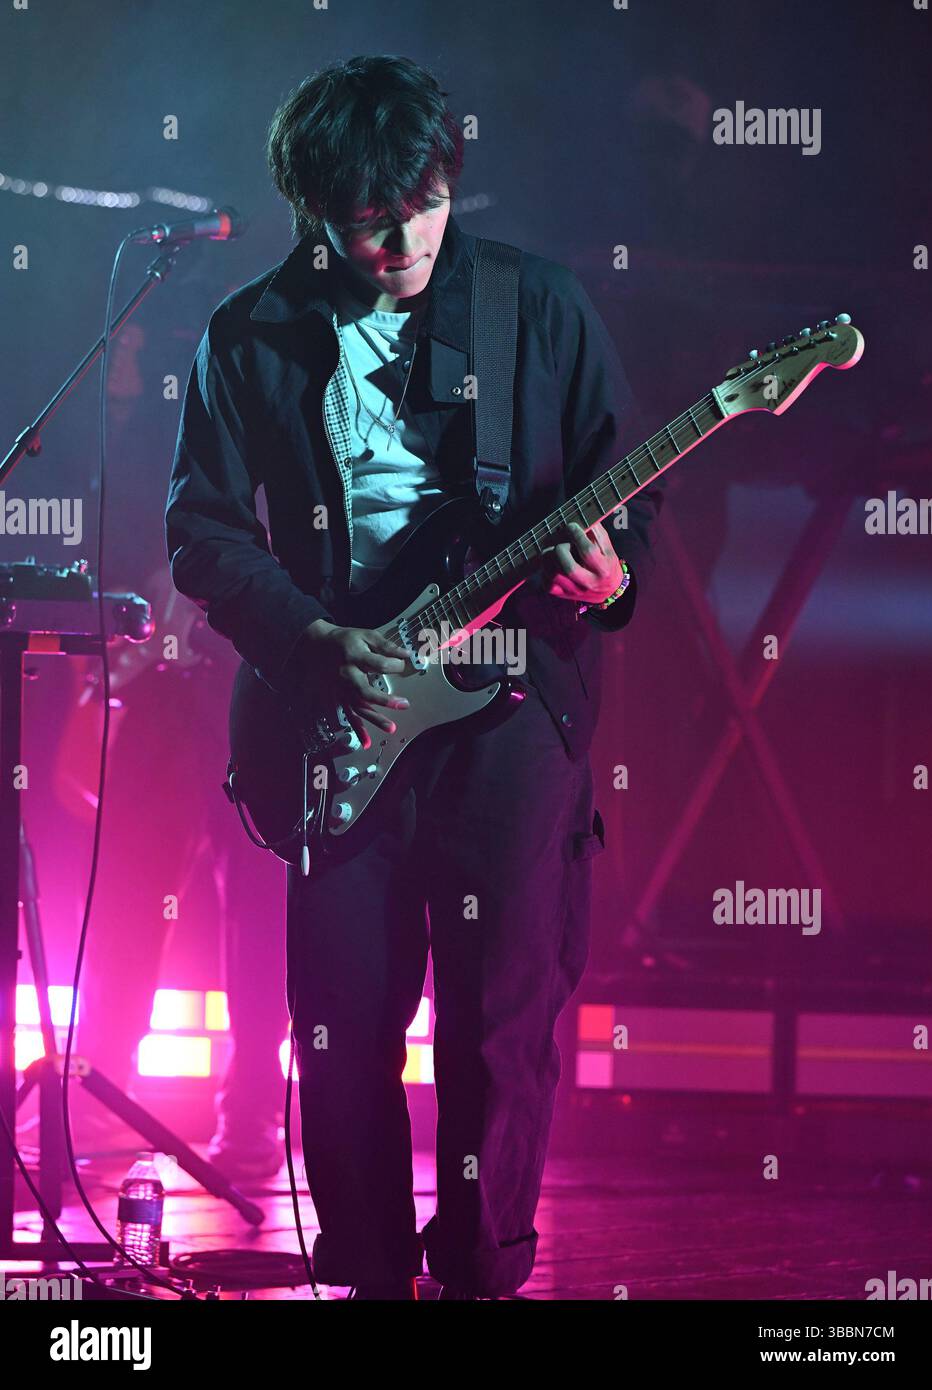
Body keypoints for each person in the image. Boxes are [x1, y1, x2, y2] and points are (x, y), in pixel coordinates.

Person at [166, 54, 661, 1299]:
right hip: (337, 712)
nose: (403, 237)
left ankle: (484, 1274)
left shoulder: (537, 310)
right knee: (341, 1032)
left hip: (509, 707)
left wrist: (612, 578)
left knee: (502, 1027)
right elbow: (204, 533)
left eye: (427, 203)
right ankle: (373, 1274)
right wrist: (310, 642)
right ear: (316, 209)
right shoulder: (252, 335)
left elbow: (631, 497)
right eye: (371, 217)